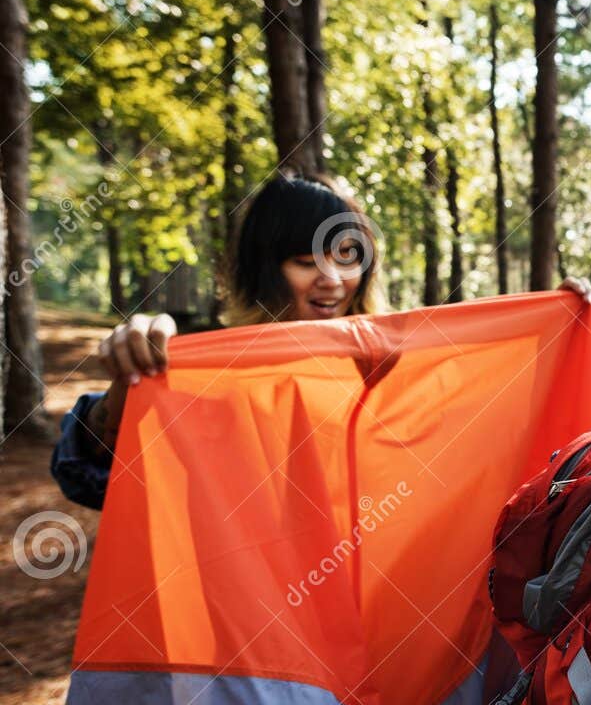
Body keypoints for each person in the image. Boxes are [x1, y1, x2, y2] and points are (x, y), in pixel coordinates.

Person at [50, 173, 386, 510]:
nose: (332, 280)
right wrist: (128, 391)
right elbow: (87, 480)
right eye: (305, 261)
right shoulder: (212, 378)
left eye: (346, 257)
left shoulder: (387, 365)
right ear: (263, 274)